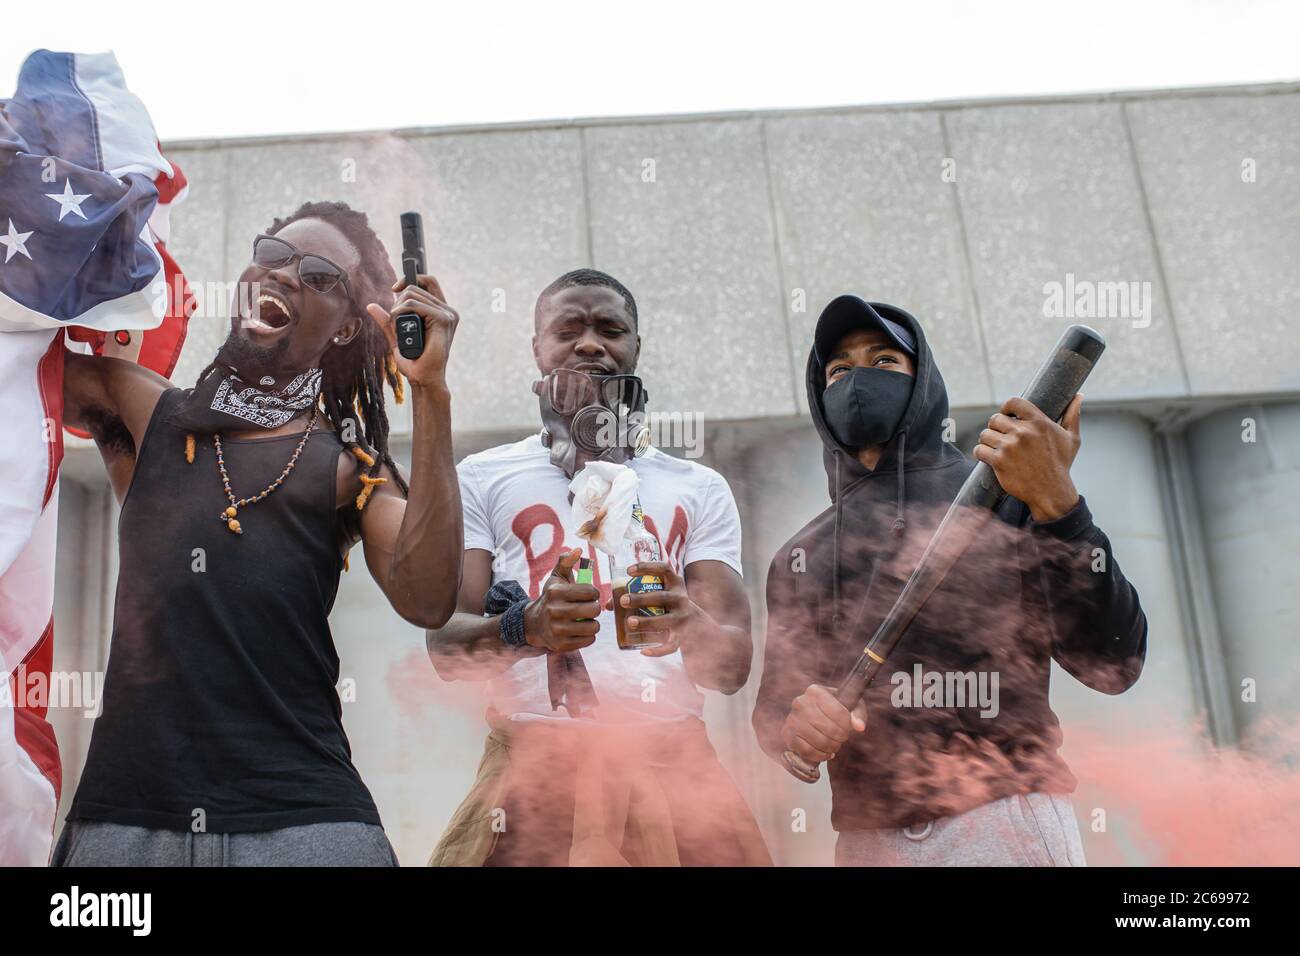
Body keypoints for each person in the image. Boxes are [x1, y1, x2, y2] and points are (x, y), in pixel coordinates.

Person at [52, 201, 463, 866]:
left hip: (306, 830)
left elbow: (428, 598)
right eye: (272, 254)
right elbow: (23, 356)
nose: (285, 275)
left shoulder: (349, 467)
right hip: (127, 825)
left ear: (350, 326)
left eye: (321, 274)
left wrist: (432, 394)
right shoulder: (144, 410)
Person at [753, 295, 1147, 867]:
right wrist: (798, 724)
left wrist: (1060, 502)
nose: (858, 377)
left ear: (923, 384)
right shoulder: (802, 554)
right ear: (819, 398)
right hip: (866, 844)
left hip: (1001, 823)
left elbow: (1113, 663)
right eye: (839, 368)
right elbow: (772, 713)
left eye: (884, 360)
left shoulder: (1012, 494)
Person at [426, 269, 770, 866]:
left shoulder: (700, 486)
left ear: (636, 347)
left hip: (674, 771)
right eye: (568, 330)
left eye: (611, 329)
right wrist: (524, 628)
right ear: (537, 347)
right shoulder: (482, 477)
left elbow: (732, 668)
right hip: (531, 779)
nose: (590, 344)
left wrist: (688, 621)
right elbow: (445, 646)